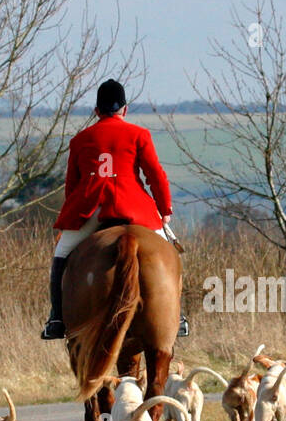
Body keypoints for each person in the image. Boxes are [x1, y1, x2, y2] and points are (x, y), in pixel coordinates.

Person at [42, 79, 187, 340]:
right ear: (125, 109)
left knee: (61, 254)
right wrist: (164, 209)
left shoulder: (80, 140)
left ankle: (56, 318)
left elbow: (72, 187)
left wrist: (73, 218)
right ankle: (179, 315)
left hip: (92, 210)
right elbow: (156, 175)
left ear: (96, 111)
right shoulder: (139, 134)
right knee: (169, 254)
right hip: (135, 209)